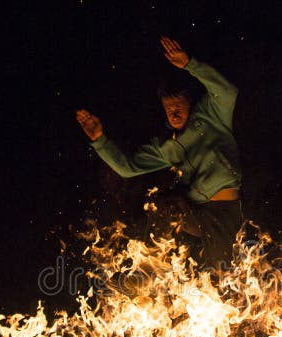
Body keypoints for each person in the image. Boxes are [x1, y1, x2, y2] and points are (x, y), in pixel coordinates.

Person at [77, 36, 243, 269]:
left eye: (178, 106)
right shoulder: (165, 146)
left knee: (223, 273)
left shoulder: (211, 115)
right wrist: (99, 140)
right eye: (168, 108)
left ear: (190, 102)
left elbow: (227, 91)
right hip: (194, 212)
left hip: (222, 210)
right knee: (162, 205)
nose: (174, 113)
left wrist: (190, 64)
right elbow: (128, 168)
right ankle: (149, 269)